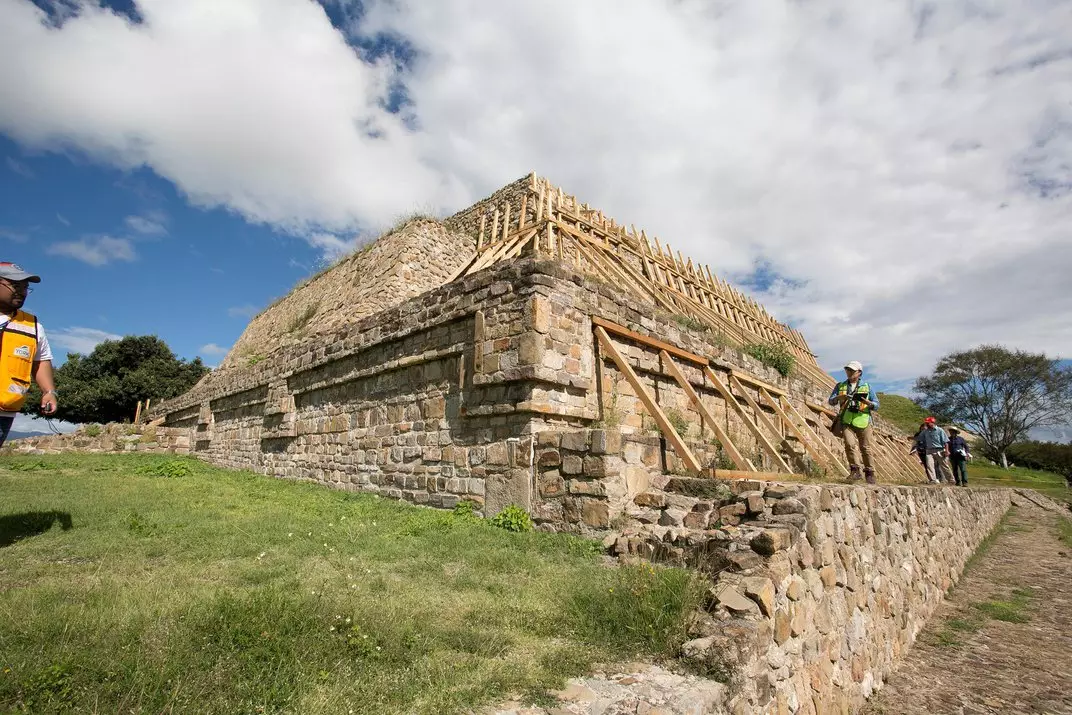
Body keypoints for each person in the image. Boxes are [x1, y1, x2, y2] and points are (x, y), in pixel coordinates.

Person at [0, 262, 57, 446]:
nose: (22, 291)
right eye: (15, 285)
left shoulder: (32, 326)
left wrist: (49, 392)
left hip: (5, 410)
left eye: (25, 287)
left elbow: (40, 361)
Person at [828, 360, 880, 483]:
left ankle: (869, 472)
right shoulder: (840, 386)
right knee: (849, 445)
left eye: (852, 370)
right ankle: (855, 471)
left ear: (859, 372)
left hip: (863, 420)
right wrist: (837, 398)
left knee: (865, 447)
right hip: (846, 419)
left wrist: (869, 404)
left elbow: (877, 404)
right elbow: (831, 401)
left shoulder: (867, 386)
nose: (849, 372)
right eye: (848, 370)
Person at [919, 416, 952, 484]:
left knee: (944, 465)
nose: (927, 424)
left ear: (932, 423)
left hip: (939, 450)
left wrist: (947, 450)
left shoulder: (940, 430)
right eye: (926, 423)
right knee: (929, 465)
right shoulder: (925, 432)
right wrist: (911, 438)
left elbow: (946, 441)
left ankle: (951, 480)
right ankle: (933, 480)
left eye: (928, 423)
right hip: (929, 450)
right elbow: (919, 438)